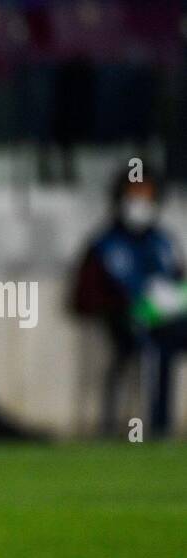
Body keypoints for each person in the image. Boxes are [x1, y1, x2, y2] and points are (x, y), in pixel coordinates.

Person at [72, 169, 187, 438]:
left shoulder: (163, 242)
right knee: (155, 344)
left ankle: (159, 426)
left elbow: (178, 280)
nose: (140, 204)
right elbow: (85, 296)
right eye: (134, 196)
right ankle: (155, 427)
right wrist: (123, 306)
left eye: (146, 196)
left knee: (168, 338)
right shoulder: (104, 243)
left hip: (167, 320)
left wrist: (170, 299)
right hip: (122, 321)